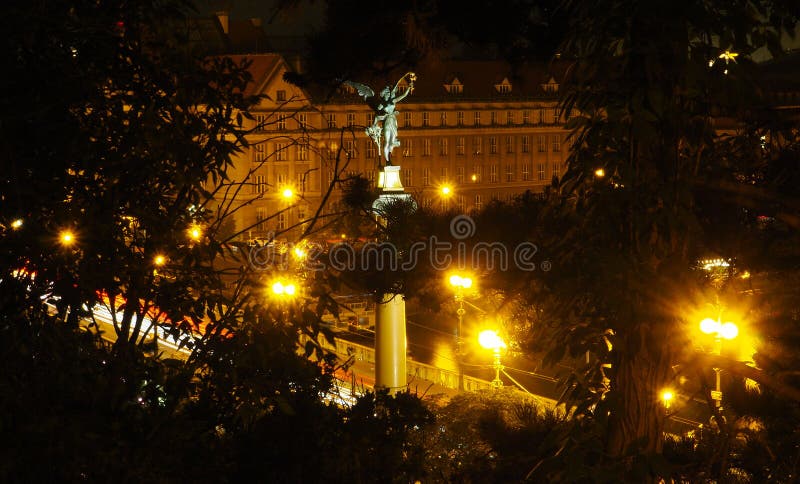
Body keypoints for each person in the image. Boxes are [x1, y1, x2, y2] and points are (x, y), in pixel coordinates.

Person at [345, 72, 416, 165]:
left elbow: (403, 95)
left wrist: (409, 87)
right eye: (386, 93)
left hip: (393, 122)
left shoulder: (393, 101)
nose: (388, 94)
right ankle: (387, 161)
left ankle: (389, 157)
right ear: (383, 95)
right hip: (387, 123)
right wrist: (374, 124)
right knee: (387, 142)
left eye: (388, 93)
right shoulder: (381, 105)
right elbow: (377, 116)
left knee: (391, 143)